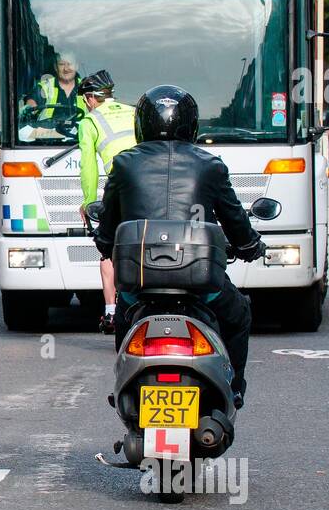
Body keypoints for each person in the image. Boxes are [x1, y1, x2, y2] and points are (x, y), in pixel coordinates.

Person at [94, 85, 265, 407]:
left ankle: (124, 386)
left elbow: (107, 224)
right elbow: (235, 219)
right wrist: (250, 245)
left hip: (139, 283)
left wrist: (105, 245)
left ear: (140, 124)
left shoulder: (124, 164)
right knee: (238, 313)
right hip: (200, 283)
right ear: (192, 124)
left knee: (123, 316)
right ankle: (234, 388)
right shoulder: (210, 164)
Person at [75, 70, 136, 334]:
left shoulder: (89, 122)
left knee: (107, 246)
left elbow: (88, 167)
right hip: (150, 183)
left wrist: (89, 202)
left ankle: (111, 311)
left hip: (119, 186)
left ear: (90, 99)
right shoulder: (135, 111)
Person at [19, 51, 83, 136]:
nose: (66, 69)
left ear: (76, 66)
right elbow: (32, 103)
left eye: (70, 64)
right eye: (61, 64)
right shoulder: (45, 87)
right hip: (48, 139)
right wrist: (29, 108)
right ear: (56, 67)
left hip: (79, 138)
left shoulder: (86, 88)